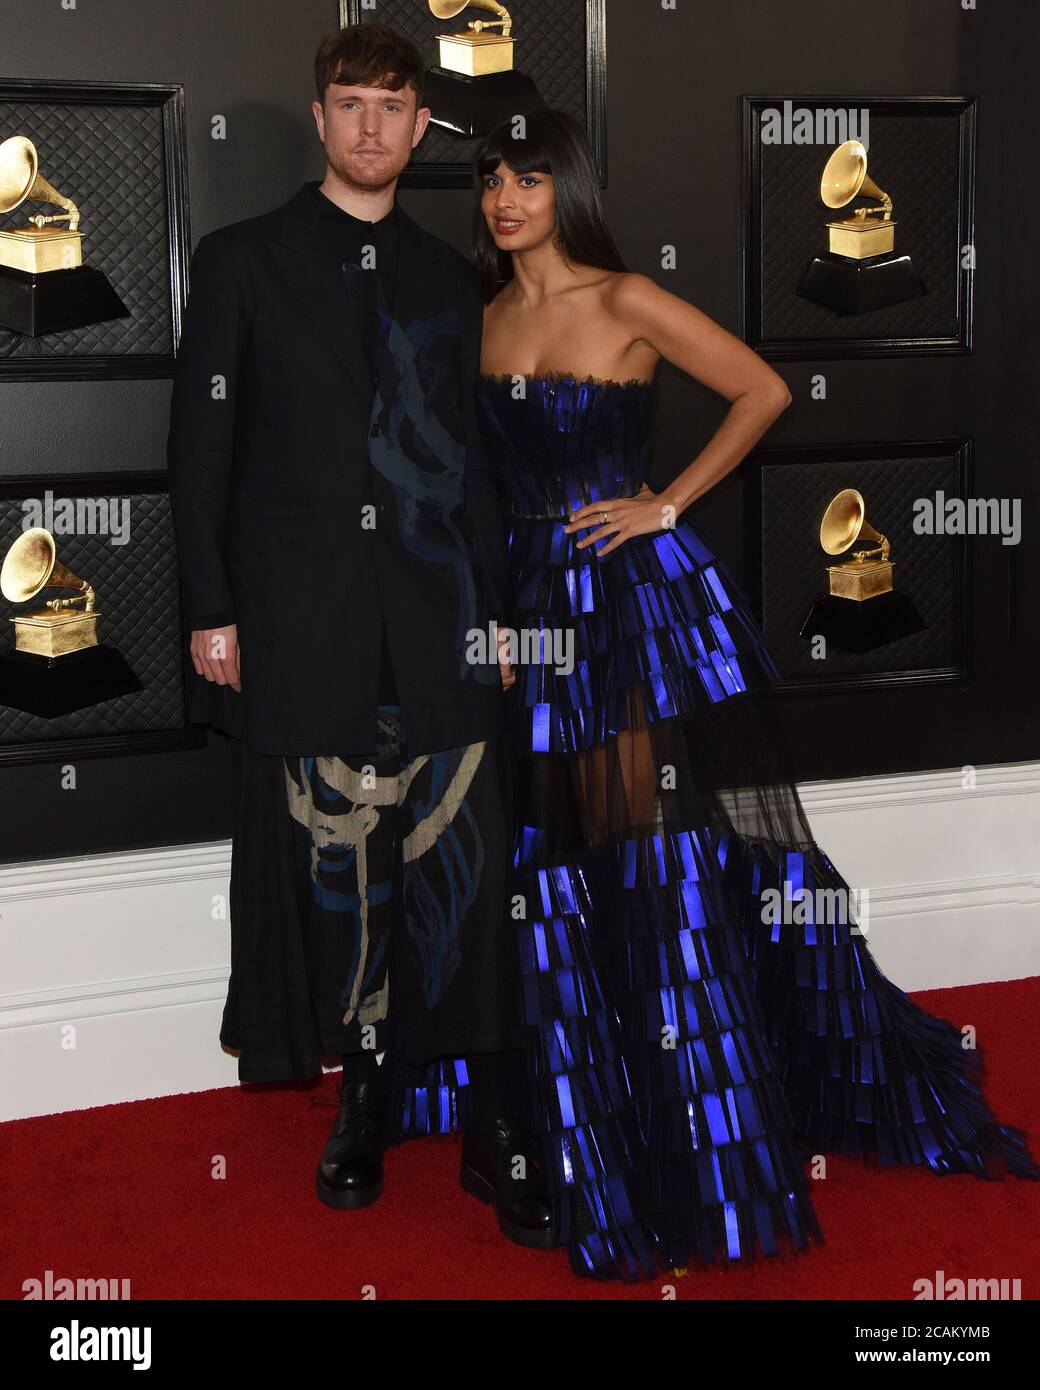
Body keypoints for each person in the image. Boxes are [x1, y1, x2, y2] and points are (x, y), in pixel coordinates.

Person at [383, 108, 1038, 1282]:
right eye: (489, 178)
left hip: (627, 601)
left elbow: (761, 390)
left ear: (564, 185)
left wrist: (664, 502)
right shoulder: (479, 318)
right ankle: (572, 1120)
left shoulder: (626, 299)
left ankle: (694, 1142)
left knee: (642, 856)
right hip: (529, 600)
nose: (503, 197)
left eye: (528, 177)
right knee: (547, 859)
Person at [166, 23, 549, 1249]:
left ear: (421, 123)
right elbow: (202, 452)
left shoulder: (451, 277)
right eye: (351, 102)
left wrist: (492, 615)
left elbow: (476, 476)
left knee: (466, 860)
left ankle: (492, 1122)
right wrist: (210, 606)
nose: (372, 125)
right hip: (300, 615)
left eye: (395, 104)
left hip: (439, 615)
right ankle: (366, 1093)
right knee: (340, 869)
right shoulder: (237, 263)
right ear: (320, 116)